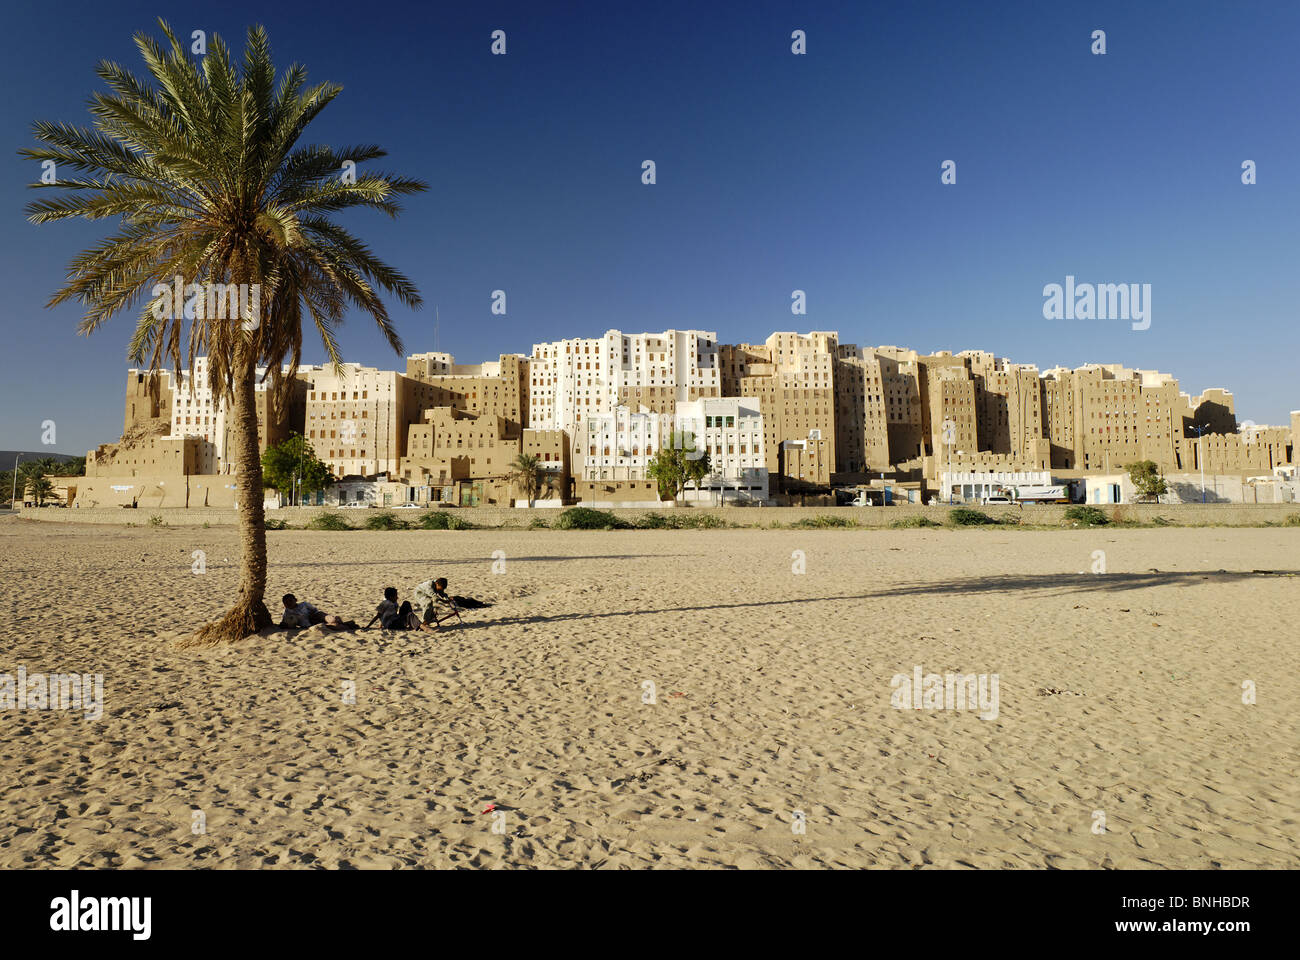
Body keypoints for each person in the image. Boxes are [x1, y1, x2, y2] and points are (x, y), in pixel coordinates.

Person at [365, 587, 431, 632]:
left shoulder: (394, 602)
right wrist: (368, 626)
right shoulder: (385, 604)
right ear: (391, 597)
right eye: (396, 596)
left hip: (396, 619)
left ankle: (412, 624)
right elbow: (378, 615)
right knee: (410, 615)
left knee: (406, 603)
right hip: (392, 624)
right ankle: (423, 627)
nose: (397, 597)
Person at [280, 593, 357, 630]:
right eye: (286, 603)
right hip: (309, 625)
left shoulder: (304, 604)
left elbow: (315, 611)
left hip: (316, 616)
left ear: (295, 600)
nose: (289, 603)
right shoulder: (287, 612)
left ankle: (337, 621)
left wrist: (312, 615)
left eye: (290, 601)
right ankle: (348, 626)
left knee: (332, 619)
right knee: (333, 626)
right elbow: (284, 622)